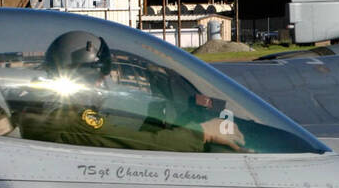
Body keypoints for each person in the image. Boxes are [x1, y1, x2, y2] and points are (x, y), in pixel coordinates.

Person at [16, 30, 246, 151]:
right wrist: (202, 132)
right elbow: (142, 143)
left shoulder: (46, 109)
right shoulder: (67, 119)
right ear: (87, 75)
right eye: (101, 72)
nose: (104, 79)